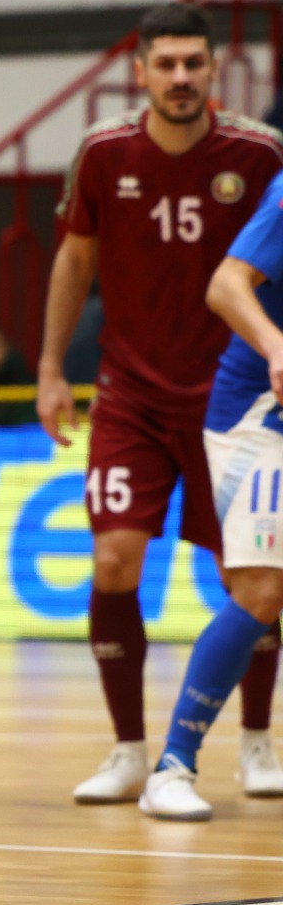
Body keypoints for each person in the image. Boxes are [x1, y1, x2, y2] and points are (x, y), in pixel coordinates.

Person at [39, 2, 283, 805]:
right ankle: (131, 752)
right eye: (166, 63)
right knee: (114, 560)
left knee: (247, 576)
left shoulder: (259, 153)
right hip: (131, 393)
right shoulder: (105, 152)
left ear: (216, 71)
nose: (181, 77)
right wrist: (49, 367)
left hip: (232, 397)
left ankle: (254, 743)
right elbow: (76, 260)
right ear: (140, 71)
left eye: (194, 63)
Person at [139, 170, 283, 818]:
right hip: (261, 411)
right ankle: (171, 766)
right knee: (260, 589)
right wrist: (275, 344)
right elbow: (225, 285)